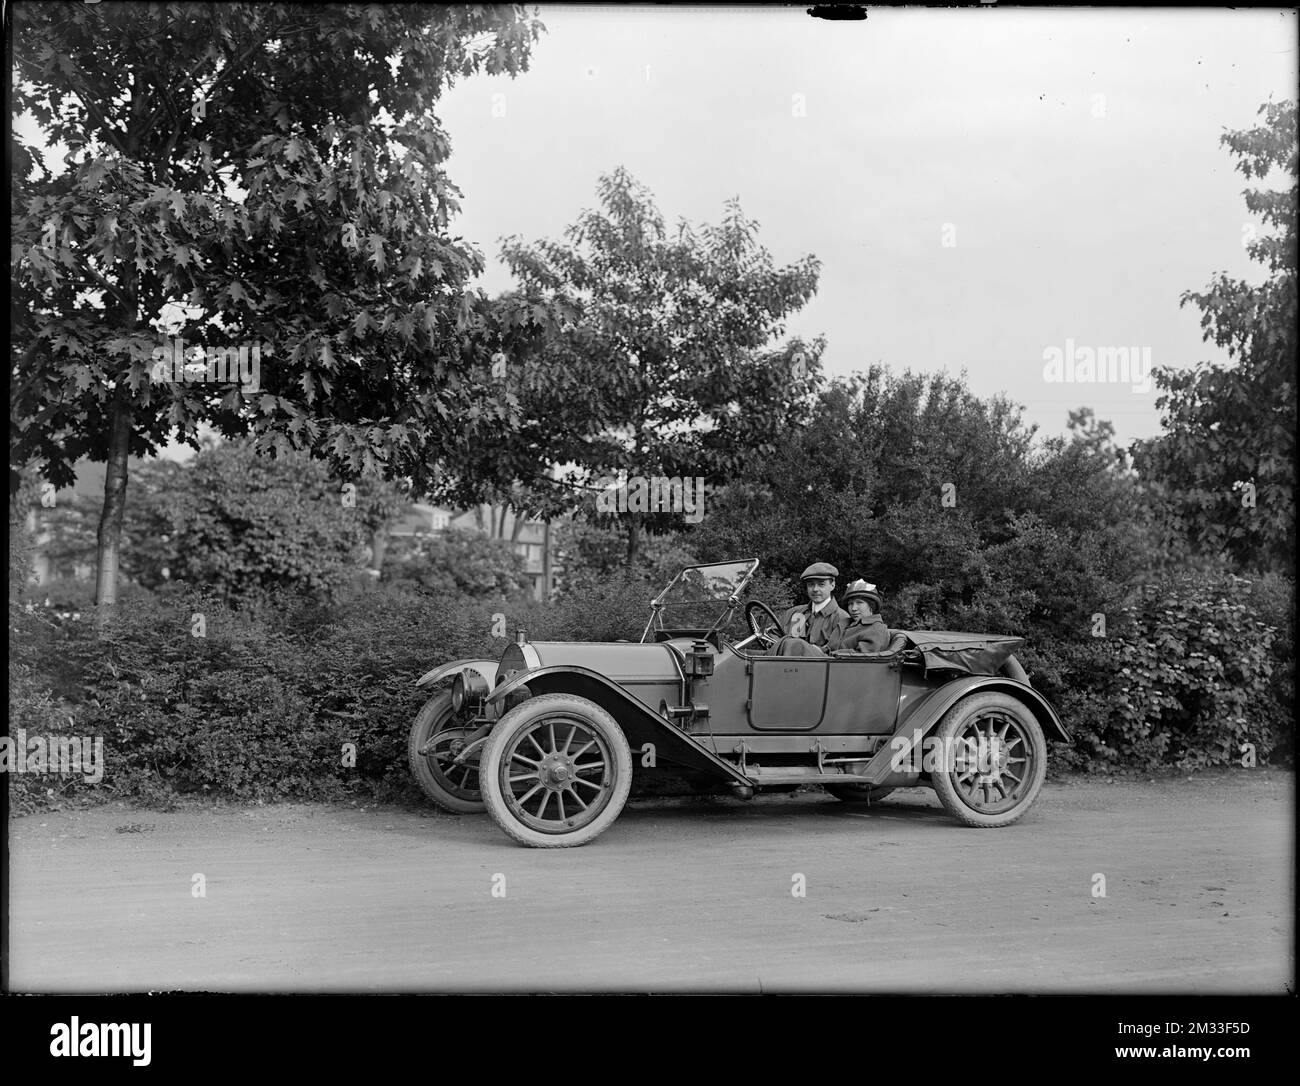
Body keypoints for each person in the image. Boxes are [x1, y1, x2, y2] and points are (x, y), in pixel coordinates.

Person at [775, 561, 848, 654]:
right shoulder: (795, 613)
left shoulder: (841, 618)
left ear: (832, 585)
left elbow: (838, 654)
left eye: (821, 584)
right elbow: (773, 635)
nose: (815, 589)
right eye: (811, 584)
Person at [831, 579, 891, 653]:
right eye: (850, 604)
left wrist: (832, 654)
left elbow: (862, 658)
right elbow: (828, 647)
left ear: (871, 606)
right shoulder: (844, 624)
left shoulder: (877, 628)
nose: (853, 608)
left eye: (859, 603)